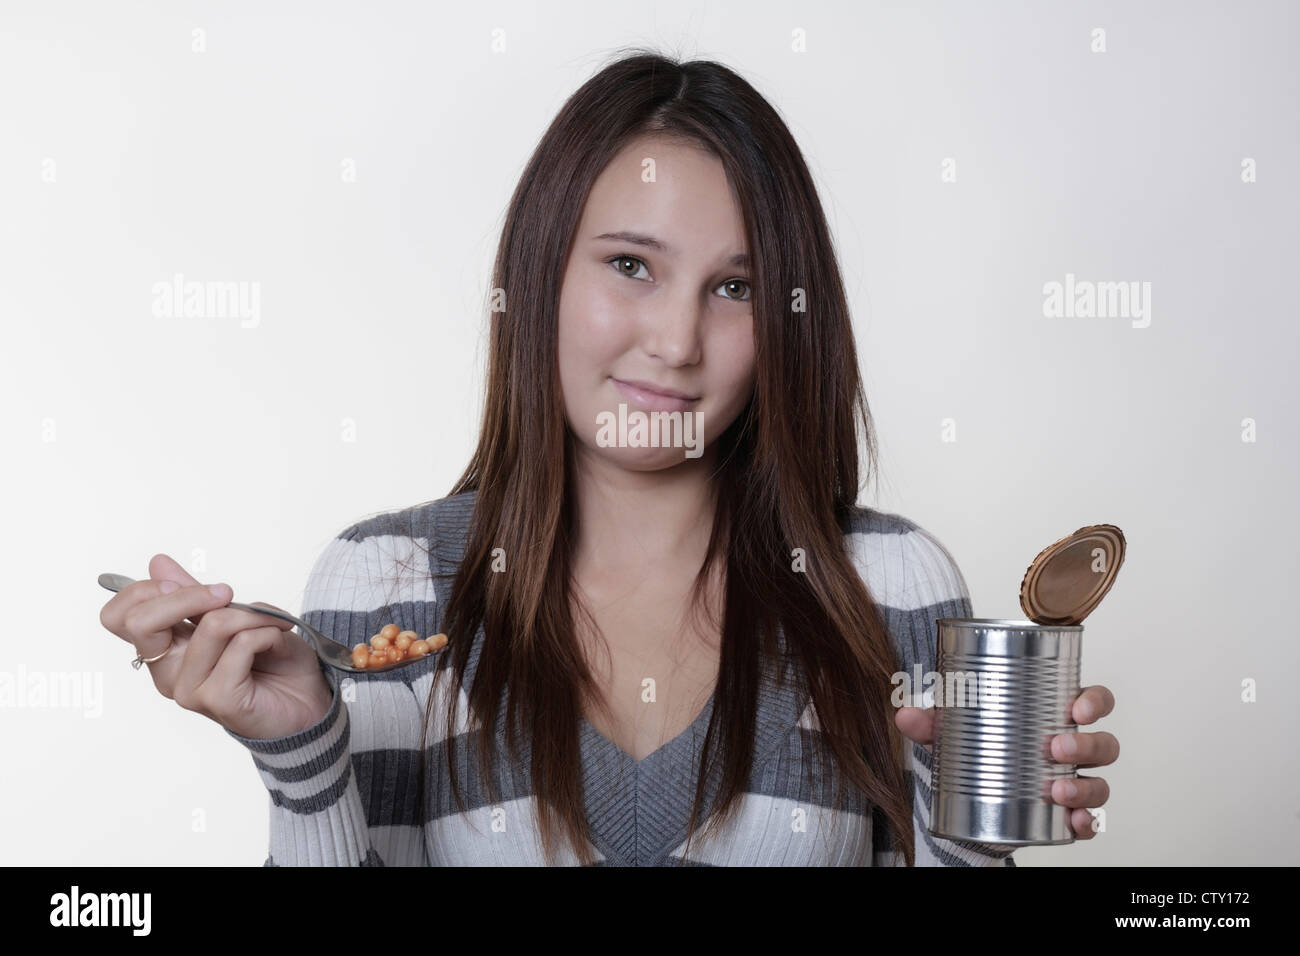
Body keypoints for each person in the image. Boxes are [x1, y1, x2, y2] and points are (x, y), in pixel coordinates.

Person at [98, 48, 1118, 866]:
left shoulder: (888, 581)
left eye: (736, 288)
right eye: (630, 265)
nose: (676, 341)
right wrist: (301, 755)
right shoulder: (385, 582)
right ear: (539, 273)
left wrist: (969, 830)